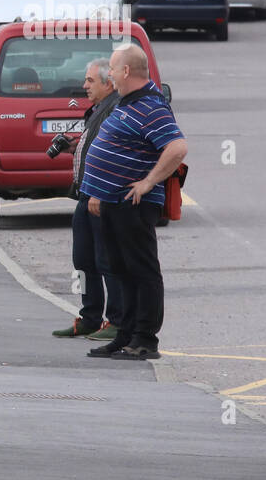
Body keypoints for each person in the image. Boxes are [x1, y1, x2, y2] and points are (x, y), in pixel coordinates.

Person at [81, 44, 188, 361]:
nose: (109, 74)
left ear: (126, 71)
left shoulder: (152, 105)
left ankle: (145, 339)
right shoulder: (127, 102)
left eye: (112, 69)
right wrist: (98, 190)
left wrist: (148, 181)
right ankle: (124, 334)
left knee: (141, 270)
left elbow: (177, 147)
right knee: (119, 268)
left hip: (134, 203)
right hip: (113, 201)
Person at [52, 60, 124, 341]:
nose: (84, 87)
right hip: (85, 194)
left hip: (101, 196)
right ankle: (90, 316)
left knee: (107, 260)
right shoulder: (98, 109)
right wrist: (74, 146)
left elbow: (113, 156)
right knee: (83, 259)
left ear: (108, 83)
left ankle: (116, 320)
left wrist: (99, 192)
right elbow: (94, 147)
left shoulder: (115, 110)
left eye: (90, 81)